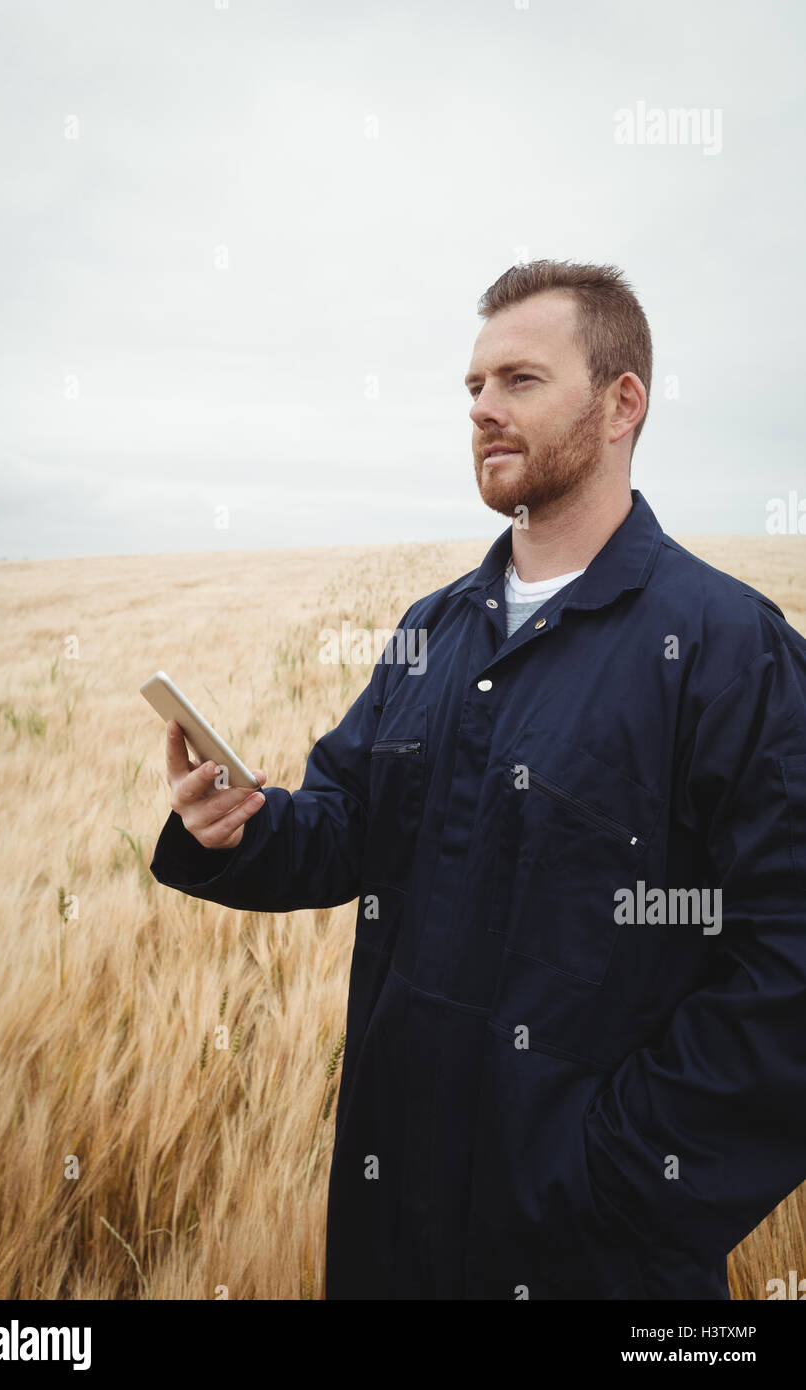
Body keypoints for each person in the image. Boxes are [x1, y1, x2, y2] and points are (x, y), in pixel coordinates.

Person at [149, 259, 806, 1300]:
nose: (483, 411)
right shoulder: (431, 629)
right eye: (472, 388)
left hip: (590, 1258)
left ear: (620, 403)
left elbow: (788, 964)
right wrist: (242, 828)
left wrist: (611, 1177)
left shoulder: (726, 649)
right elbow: (349, 820)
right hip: (389, 1222)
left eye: (518, 381)